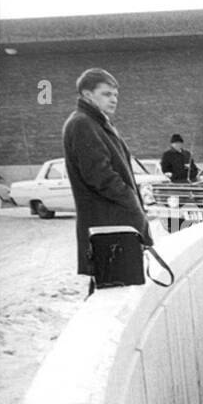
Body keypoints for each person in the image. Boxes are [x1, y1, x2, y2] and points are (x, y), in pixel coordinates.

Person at [62, 68, 152, 280]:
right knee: (117, 288)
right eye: (106, 94)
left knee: (115, 287)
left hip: (115, 227)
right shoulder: (83, 123)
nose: (113, 99)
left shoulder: (97, 123)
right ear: (87, 94)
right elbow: (99, 176)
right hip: (110, 228)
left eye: (115, 95)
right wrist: (130, 200)